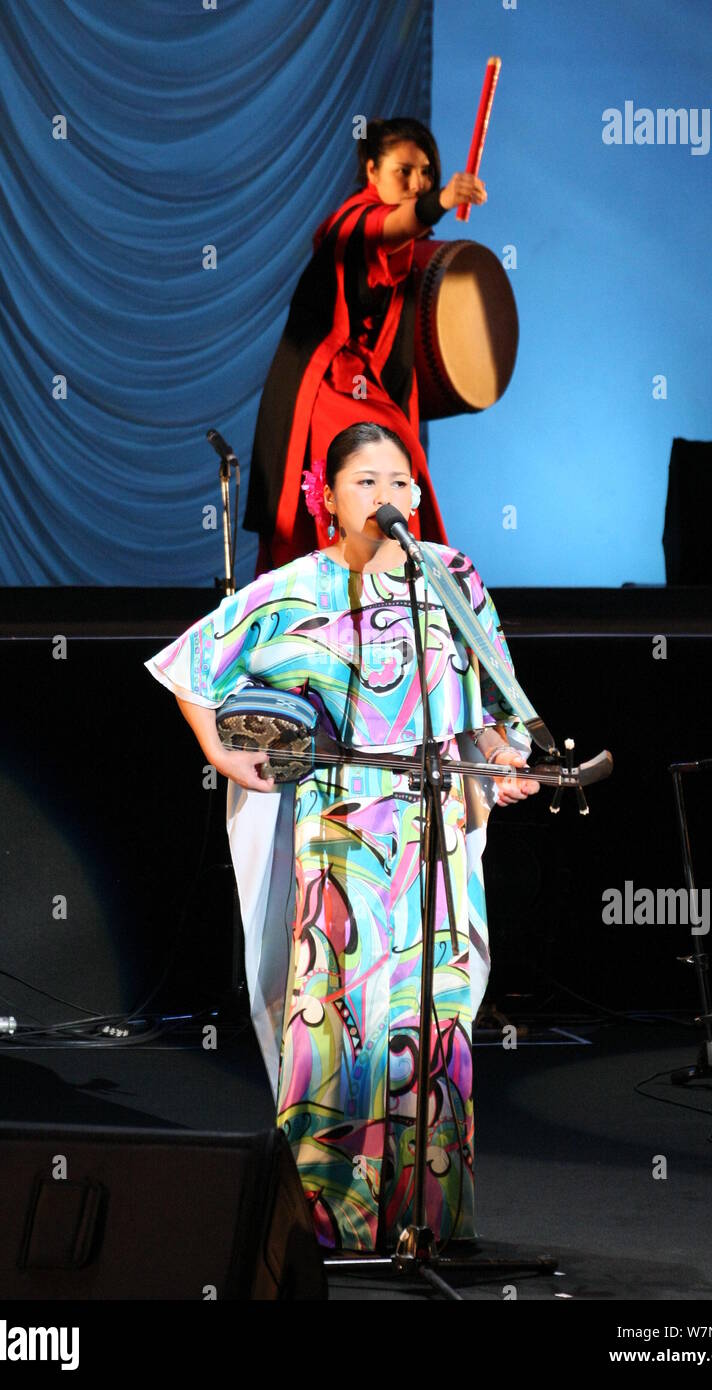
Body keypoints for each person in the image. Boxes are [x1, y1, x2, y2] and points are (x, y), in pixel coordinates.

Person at [145, 421, 539, 1253]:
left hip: (433, 830)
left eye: (401, 482)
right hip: (340, 826)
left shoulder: (454, 577)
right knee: (336, 1026)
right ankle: (322, 1227)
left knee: (435, 1018)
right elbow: (188, 662)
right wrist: (221, 752)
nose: (387, 497)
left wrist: (504, 760)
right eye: (366, 481)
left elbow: (495, 709)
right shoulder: (295, 586)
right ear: (329, 498)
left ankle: (428, 1221)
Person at [243, 117, 488, 574]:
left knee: (394, 461)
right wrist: (442, 200)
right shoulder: (355, 221)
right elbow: (390, 226)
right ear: (372, 171)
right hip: (327, 388)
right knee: (375, 462)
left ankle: (396, 607)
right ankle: (351, 600)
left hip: (363, 383)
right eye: (405, 171)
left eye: (427, 173)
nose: (418, 182)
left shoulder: (409, 247)